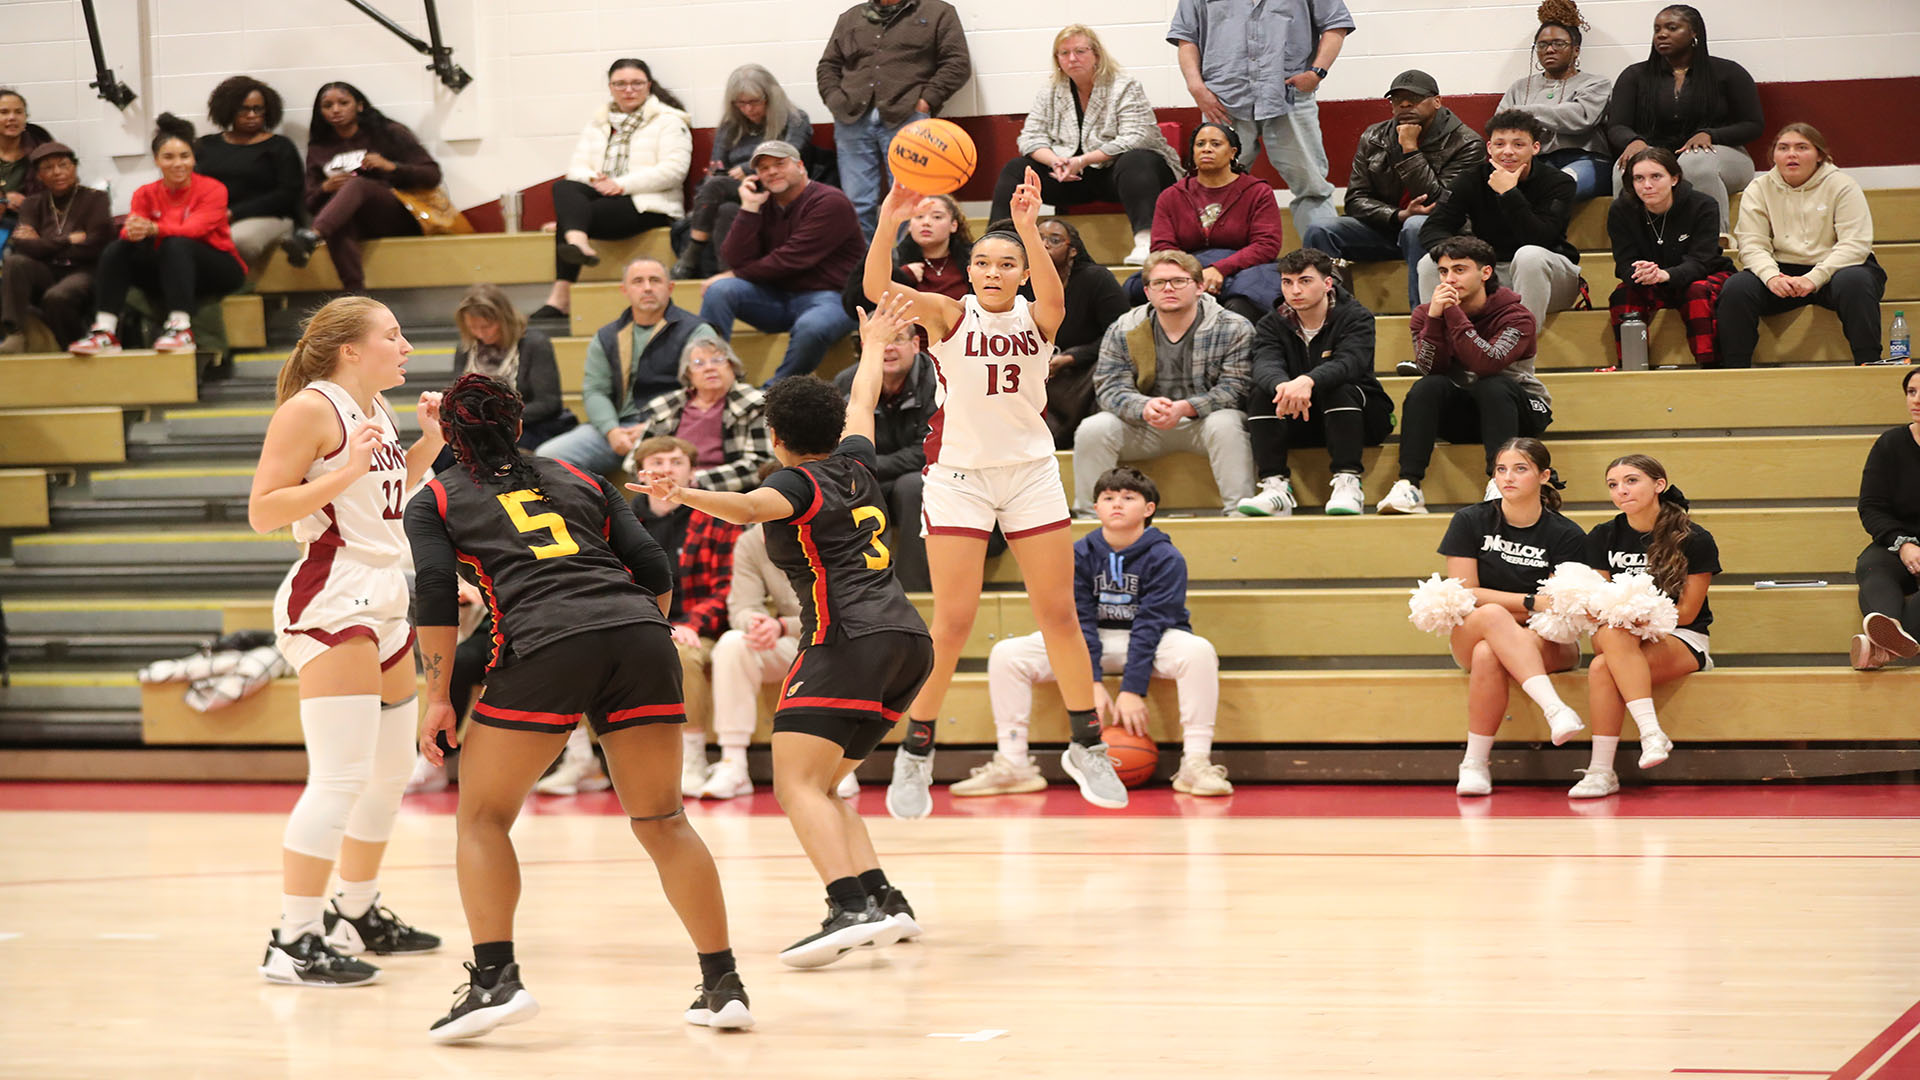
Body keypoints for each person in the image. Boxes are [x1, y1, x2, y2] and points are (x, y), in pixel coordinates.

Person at [408, 374, 751, 1039]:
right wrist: (633, 639)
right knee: (663, 819)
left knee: (480, 818)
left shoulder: (437, 499)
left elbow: (434, 598)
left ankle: (495, 981)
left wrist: (436, 698)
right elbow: (654, 568)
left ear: (449, 436)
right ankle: (723, 983)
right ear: (517, 427)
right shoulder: (578, 475)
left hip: (546, 643)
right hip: (642, 639)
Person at [628, 294, 934, 968]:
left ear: (775, 436)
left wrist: (682, 492)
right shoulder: (856, 459)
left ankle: (846, 904)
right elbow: (859, 401)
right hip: (907, 640)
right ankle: (884, 900)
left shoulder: (797, 484)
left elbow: (744, 506)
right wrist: (873, 340)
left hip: (847, 638)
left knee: (795, 784)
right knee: (823, 785)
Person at [865, 172, 1128, 817]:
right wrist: (888, 220)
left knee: (1060, 615)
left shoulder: (1043, 315)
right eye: (981, 260)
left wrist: (1031, 224)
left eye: (1006, 263)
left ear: (1021, 273)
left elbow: (1052, 284)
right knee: (952, 623)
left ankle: (1085, 746)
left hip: (1031, 471)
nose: (991, 270)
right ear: (971, 270)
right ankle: (915, 753)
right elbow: (875, 289)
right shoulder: (949, 314)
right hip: (959, 477)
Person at [246, 296, 446, 987]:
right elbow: (263, 511)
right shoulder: (309, 409)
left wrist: (430, 443)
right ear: (350, 350)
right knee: (339, 777)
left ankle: (357, 910)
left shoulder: (374, 410)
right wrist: (344, 472)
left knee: (391, 773)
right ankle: (293, 941)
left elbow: (382, 497)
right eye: (394, 335)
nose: (407, 346)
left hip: (387, 590)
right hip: (332, 595)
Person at [965, 467, 1229, 797]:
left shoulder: (1166, 557)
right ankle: (1013, 762)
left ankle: (1196, 763)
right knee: (1008, 654)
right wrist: (1089, 681)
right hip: (1087, 642)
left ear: (1149, 509)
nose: (1117, 504)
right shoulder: (1078, 553)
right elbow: (1077, 622)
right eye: (1108, 498)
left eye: (1128, 498)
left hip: (1152, 641)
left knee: (1199, 651)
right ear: (1096, 507)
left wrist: (1132, 689)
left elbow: (1151, 624)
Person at [1438, 438, 1594, 797]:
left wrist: (1535, 607)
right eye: (1501, 469)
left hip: (1544, 636)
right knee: (1490, 615)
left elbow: (1559, 605)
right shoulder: (1470, 520)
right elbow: (1466, 593)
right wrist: (1529, 601)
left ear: (1544, 476)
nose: (1508, 477)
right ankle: (1555, 709)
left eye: (1520, 469)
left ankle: (1474, 763)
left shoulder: (1567, 534)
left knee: (1489, 655)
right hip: (1476, 628)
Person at [1576, 455, 1718, 797]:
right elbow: (1596, 602)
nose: (1621, 490)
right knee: (1611, 633)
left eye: (1631, 480)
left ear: (1659, 485)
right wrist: (1623, 616)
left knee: (1600, 669)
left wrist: (1640, 617)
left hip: (1679, 636)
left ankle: (1600, 771)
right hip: (1617, 633)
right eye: (1613, 485)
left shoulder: (1694, 539)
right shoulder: (1602, 535)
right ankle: (1651, 732)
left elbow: (1686, 612)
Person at [1379, 237, 1552, 516]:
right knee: (1428, 386)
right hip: (1465, 414)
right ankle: (1408, 485)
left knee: (1493, 386)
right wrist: (1435, 320)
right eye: (1444, 271)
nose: (1449, 279)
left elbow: (1486, 363)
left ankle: (1498, 484)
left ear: (1485, 273)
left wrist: (1454, 315)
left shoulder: (1517, 316)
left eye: (1459, 270)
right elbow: (1429, 367)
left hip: (1522, 409)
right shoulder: (1427, 314)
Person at [1077, 250, 1255, 515]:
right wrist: (1144, 406)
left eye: (1178, 281)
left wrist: (1185, 407)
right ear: (1147, 292)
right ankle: (1090, 518)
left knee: (1227, 423)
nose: (1168, 288)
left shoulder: (1232, 326)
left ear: (1199, 286)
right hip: (1145, 425)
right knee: (1093, 429)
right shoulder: (1124, 327)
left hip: (1204, 423)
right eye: (1158, 283)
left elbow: (1237, 388)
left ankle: (1240, 512)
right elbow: (1109, 387)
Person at [622, 437, 747, 799]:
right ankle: (582, 758)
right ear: (640, 472)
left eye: (676, 462)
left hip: (696, 628)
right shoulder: (624, 521)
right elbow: (614, 579)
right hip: (642, 623)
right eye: (656, 461)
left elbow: (728, 587)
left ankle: (692, 758)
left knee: (684, 656)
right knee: (578, 648)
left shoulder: (716, 516)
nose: (666, 469)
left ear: (693, 473)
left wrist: (691, 624)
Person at [992, 24, 1181, 265]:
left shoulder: (1124, 85)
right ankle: (1000, 243)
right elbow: (1029, 138)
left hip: (1119, 176)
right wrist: (1056, 161)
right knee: (1017, 169)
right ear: (1057, 59)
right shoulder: (1050, 91)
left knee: (1138, 159)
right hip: (1072, 179)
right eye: (1064, 53)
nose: (1072, 58)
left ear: (1096, 55)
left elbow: (1137, 135)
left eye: (1080, 51)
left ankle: (1147, 242)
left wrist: (1082, 160)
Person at [1301, 69, 1485, 313]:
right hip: (1389, 226)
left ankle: (1425, 320)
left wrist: (1410, 149)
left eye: (1415, 99)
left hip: (1444, 233)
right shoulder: (1375, 136)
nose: (1405, 105)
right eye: (1398, 101)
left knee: (1416, 226)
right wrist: (1398, 215)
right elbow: (1355, 200)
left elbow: (1441, 204)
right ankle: (1335, 315)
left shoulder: (1466, 143)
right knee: (1321, 229)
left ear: (1437, 102)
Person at [1168, 0, 1354, 237]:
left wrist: (1317, 73)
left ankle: (1325, 263)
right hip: (1223, 101)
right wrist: (1196, 88)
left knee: (1312, 186)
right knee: (1216, 186)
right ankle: (1217, 262)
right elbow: (1186, 38)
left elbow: (1336, 24)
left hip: (1289, 97)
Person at [68, 115, 247, 357]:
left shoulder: (213, 189)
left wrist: (154, 228)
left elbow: (195, 230)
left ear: (194, 159)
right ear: (157, 161)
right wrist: (132, 230)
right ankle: (105, 330)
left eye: (184, 156)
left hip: (219, 267)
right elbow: (132, 227)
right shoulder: (145, 193)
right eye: (169, 157)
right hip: (169, 267)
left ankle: (180, 328)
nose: (178, 164)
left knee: (177, 244)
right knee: (117, 248)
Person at [1237, 248, 1393, 517]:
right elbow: (1264, 364)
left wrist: (1308, 381)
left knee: (1339, 387)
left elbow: (1351, 363)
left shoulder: (1356, 316)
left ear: (1327, 283)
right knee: (1262, 393)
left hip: (1360, 417)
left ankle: (1348, 481)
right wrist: (1283, 386)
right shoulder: (1271, 323)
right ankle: (1276, 487)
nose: (1295, 290)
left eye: (1305, 281)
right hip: (1301, 416)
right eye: (1287, 282)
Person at [532, 59, 691, 321]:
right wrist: (599, 181)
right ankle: (578, 242)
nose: (628, 89)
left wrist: (621, 184)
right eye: (620, 84)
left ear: (648, 86)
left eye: (636, 83)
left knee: (568, 219)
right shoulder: (598, 124)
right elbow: (577, 169)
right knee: (564, 187)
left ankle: (560, 298)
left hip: (648, 204)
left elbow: (674, 171)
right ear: (610, 87)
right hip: (604, 197)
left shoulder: (670, 122)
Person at [1718, 124, 1887, 368]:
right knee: (1736, 287)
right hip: (1782, 272)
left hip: (1837, 269)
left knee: (1855, 282)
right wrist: (1772, 277)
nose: (1791, 154)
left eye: (1802, 147)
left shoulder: (1842, 185)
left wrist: (1815, 278)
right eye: (1783, 148)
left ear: (1819, 155)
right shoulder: (1759, 188)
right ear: (1773, 155)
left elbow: (1855, 244)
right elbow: (1752, 244)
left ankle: (1868, 362)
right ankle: (1735, 369)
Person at [536, 256, 719, 473]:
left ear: (670, 288)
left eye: (655, 281)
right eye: (638, 281)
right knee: (549, 457)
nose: (647, 288)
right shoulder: (607, 336)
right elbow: (595, 390)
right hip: (620, 428)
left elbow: (708, 392)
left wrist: (654, 427)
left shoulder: (697, 331)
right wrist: (611, 430)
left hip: (676, 428)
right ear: (625, 290)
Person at [701, 141, 863, 383]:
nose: (772, 172)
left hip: (833, 297)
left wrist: (735, 275)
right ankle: (717, 382)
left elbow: (791, 259)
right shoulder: (762, 202)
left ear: (800, 166)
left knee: (812, 326)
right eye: (764, 168)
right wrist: (748, 207)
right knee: (718, 291)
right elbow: (734, 258)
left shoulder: (830, 202)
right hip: (777, 297)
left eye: (779, 164)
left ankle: (770, 396)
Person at [816, 0, 972, 239]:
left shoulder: (938, 12)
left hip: (908, 118)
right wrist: (835, 101)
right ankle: (865, 269)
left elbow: (957, 63)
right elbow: (828, 65)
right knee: (856, 202)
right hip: (851, 119)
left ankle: (907, 268)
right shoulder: (850, 17)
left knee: (912, 200)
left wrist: (926, 101)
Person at [1417, 110, 1582, 328]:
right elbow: (1433, 229)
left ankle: (1520, 349)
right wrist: (1464, 257)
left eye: (1518, 145)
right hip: (1491, 273)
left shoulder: (1559, 183)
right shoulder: (1471, 179)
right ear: (1489, 148)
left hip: (1547, 275)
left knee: (1529, 256)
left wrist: (1509, 194)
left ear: (1535, 148)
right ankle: (1438, 345)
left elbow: (1541, 238)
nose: (1508, 152)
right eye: (1500, 144)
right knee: (1430, 262)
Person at [1605, 4, 1762, 230]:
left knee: (1695, 162)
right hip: (1659, 151)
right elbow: (1617, 125)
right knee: (1628, 168)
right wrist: (1633, 141)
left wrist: (1711, 134)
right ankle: (1636, 245)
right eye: (1657, 29)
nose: (1662, 34)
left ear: (1693, 32)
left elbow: (1753, 125)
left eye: (1672, 27)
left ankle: (1714, 244)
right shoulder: (1634, 75)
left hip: (1721, 153)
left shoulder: (1728, 72)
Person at [283, 82, 442, 295]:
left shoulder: (388, 132)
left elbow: (432, 175)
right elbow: (311, 202)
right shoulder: (320, 147)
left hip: (398, 215)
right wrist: (325, 188)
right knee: (340, 217)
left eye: (343, 103)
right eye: (328, 106)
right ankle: (355, 295)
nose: (335, 110)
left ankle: (312, 237)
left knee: (357, 185)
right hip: (351, 222)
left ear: (359, 105)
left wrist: (392, 166)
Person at [1127, 123, 1285, 323]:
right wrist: (1192, 275)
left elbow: (1266, 246)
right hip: (1187, 270)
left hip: (1245, 270)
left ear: (1232, 152)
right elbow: (1162, 247)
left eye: (1215, 144)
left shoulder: (1257, 192)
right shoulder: (1171, 196)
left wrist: (1219, 269)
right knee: (1134, 289)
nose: (1206, 149)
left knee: (1244, 299)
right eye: (1200, 144)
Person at [675, 65, 815, 280]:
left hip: (778, 186)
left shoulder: (795, 119)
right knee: (725, 209)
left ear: (770, 96)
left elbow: (790, 155)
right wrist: (718, 171)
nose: (748, 109)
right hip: (737, 191)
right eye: (741, 103)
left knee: (715, 188)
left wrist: (749, 168)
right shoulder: (730, 125)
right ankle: (728, 277)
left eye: (754, 102)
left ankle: (692, 252)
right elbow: (717, 161)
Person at [833, 319, 939, 591]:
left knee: (912, 486)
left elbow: (928, 449)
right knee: (845, 485)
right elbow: (838, 446)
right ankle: (855, 590)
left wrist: (869, 464)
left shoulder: (937, 379)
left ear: (916, 345)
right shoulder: (847, 382)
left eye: (898, 339)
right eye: (880, 341)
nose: (888, 349)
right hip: (874, 479)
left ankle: (912, 592)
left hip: (934, 478)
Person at [699, 521, 801, 800]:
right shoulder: (754, 539)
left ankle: (838, 765)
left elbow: (843, 611)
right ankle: (734, 765)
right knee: (732, 644)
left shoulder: (831, 529)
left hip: (837, 636)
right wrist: (756, 622)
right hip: (791, 638)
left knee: (838, 648)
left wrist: (784, 626)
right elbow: (742, 607)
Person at [1606, 147, 1732, 367]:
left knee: (1696, 292)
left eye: (1656, 176)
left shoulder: (1703, 205)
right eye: (1639, 178)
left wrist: (1665, 274)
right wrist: (1641, 272)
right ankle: (1631, 366)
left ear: (1674, 179)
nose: (1647, 185)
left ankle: (1710, 366)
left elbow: (1702, 260)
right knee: (1623, 295)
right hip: (1652, 280)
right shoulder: (1621, 210)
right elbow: (1623, 264)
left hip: (1702, 275)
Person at [440, 284, 575, 471]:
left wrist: (496, 419)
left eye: (486, 326)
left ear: (504, 319)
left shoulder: (534, 344)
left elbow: (548, 404)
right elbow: (455, 396)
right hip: (478, 427)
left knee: (492, 451)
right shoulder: (465, 348)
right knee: (443, 453)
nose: (480, 333)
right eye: (473, 327)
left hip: (527, 425)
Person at [1497, 1, 1614, 200]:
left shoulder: (1596, 84)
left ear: (1575, 50)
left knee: (1563, 186)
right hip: (1535, 162)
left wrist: (1523, 113)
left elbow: (1580, 118)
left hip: (1586, 159)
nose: (1549, 50)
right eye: (1542, 45)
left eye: (1559, 44)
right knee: (1499, 191)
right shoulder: (1519, 87)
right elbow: (1501, 125)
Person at [1, 143, 112, 352]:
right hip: (46, 269)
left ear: (75, 167)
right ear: (39, 176)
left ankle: (74, 347)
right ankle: (14, 333)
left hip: (83, 271)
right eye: (48, 168)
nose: (57, 172)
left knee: (57, 297)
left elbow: (95, 245)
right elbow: (24, 246)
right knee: (15, 262)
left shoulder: (96, 199)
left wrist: (42, 241)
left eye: (63, 165)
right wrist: (68, 239)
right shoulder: (32, 204)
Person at [625, 338, 775, 494]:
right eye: (699, 363)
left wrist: (691, 481)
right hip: (666, 494)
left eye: (718, 360)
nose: (709, 368)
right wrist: (659, 479)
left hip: (728, 497)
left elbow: (761, 464)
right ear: (688, 373)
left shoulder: (755, 404)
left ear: (731, 366)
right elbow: (634, 462)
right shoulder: (667, 407)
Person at [193, 75, 304, 274]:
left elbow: (287, 194)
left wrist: (234, 213)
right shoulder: (205, 146)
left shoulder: (279, 146)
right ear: (228, 109)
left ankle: (232, 293)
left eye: (258, 109)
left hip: (269, 217)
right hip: (213, 216)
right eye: (244, 109)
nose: (252, 115)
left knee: (238, 240)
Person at [1850, 369, 1920, 671]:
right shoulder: (1890, 445)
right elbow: (1871, 506)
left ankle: (1881, 650)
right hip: (1898, 541)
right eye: (1911, 392)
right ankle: (1888, 628)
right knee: (1872, 567)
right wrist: (1902, 544)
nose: (1916, 400)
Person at [1040, 218, 1131, 448]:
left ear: (1073, 251)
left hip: (1085, 369)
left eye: (1054, 240)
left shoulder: (1096, 279)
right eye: (1038, 238)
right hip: (1035, 371)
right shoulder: (1020, 281)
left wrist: (1071, 358)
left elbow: (1122, 336)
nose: (1044, 244)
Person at [841, 193, 973, 318]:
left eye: (937, 217)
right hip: (907, 340)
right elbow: (854, 305)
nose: (926, 222)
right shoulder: (890, 259)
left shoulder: (974, 261)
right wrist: (901, 276)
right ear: (910, 225)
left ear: (953, 225)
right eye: (919, 216)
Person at [0, 88, 52, 209]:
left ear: (25, 117)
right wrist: (3, 199)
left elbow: (63, 192)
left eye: (18, 112)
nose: (12, 117)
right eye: (4, 112)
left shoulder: (43, 149)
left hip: (36, 220)